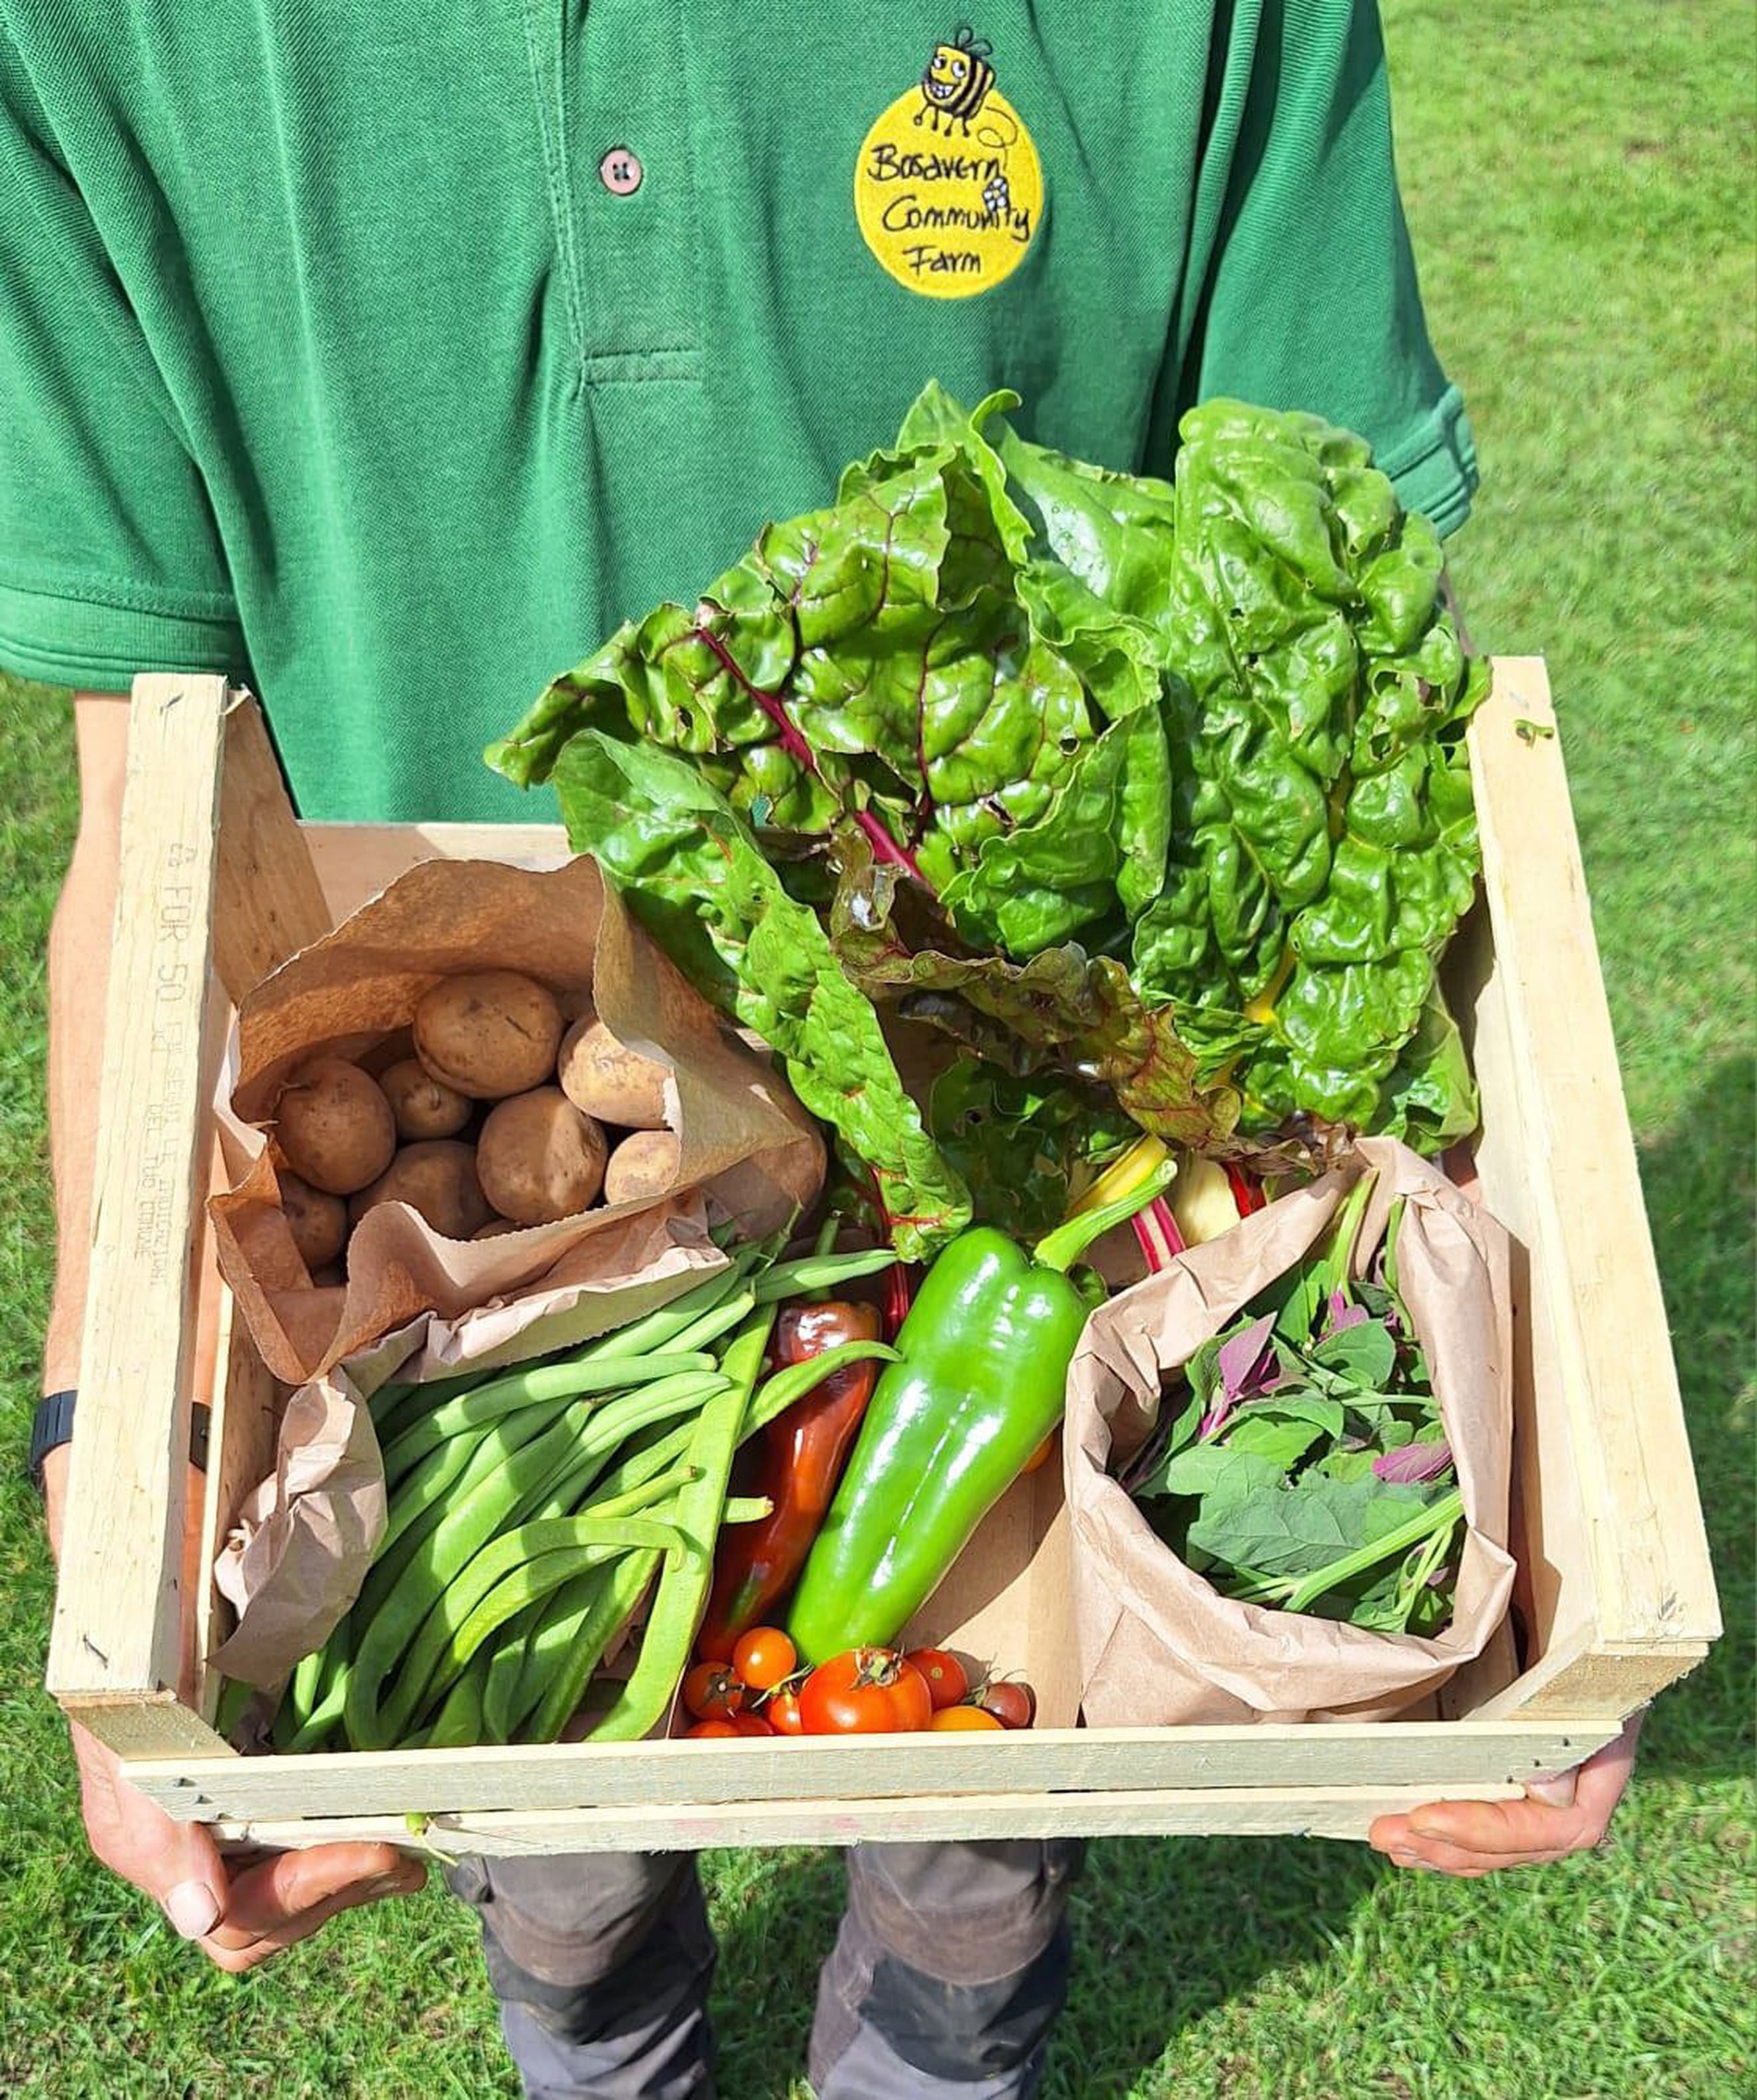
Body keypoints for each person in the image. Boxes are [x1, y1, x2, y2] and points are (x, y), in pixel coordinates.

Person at [5, 1, 1639, 2090]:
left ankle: (942, 2042)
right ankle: (603, 2032)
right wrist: (105, 1483)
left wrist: (1568, 1530)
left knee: (979, 1827)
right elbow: (148, 803)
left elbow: (1346, 638)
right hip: (480, 1290)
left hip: (1030, 1158)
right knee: (558, 1845)